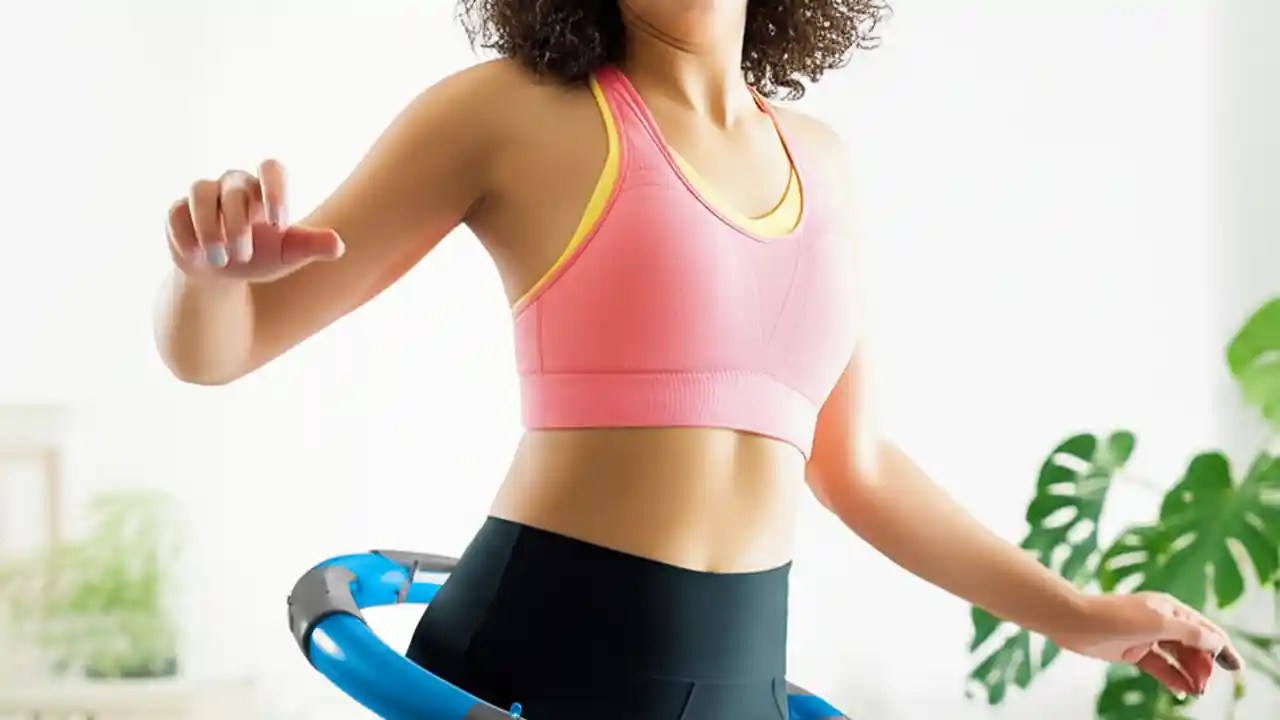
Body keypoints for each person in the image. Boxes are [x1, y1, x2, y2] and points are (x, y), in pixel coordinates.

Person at [153, 1, 1242, 718]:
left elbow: (850, 465)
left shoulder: (821, 163)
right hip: (538, 655)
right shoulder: (507, 113)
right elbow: (227, 346)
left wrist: (1080, 614)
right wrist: (207, 277)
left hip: (739, 676)